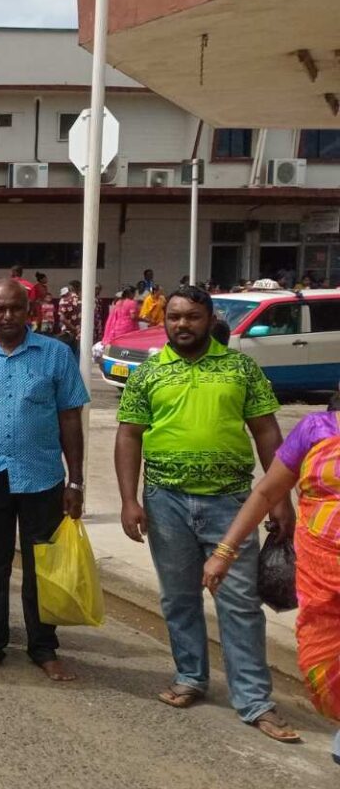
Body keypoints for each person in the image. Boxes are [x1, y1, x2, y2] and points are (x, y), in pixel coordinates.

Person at [115, 286, 299, 742]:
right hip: (165, 501)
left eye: (192, 317)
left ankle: (254, 701)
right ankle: (191, 677)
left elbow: (266, 432)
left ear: (209, 319)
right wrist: (128, 499)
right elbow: (129, 435)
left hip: (231, 504)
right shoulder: (149, 372)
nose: (182, 324)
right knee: (179, 597)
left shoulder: (240, 368)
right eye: (174, 317)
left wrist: (280, 497)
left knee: (239, 603)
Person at [0, 279, 88, 681]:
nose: (7, 316)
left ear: (29, 310)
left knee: (42, 567)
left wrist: (76, 481)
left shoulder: (56, 355)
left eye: (15, 308)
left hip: (42, 478)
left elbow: (70, 419)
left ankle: (43, 647)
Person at [215, 391, 340, 763]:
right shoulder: (315, 429)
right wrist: (225, 551)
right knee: (322, 663)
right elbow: (267, 493)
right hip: (320, 576)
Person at [56, 280, 82, 354]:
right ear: (79, 288)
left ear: (70, 287)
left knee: (64, 355)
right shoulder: (81, 300)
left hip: (67, 332)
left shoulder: (65, 299)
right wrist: (76, 330)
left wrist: (73, 328)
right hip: (78, 333)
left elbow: (62, 318)